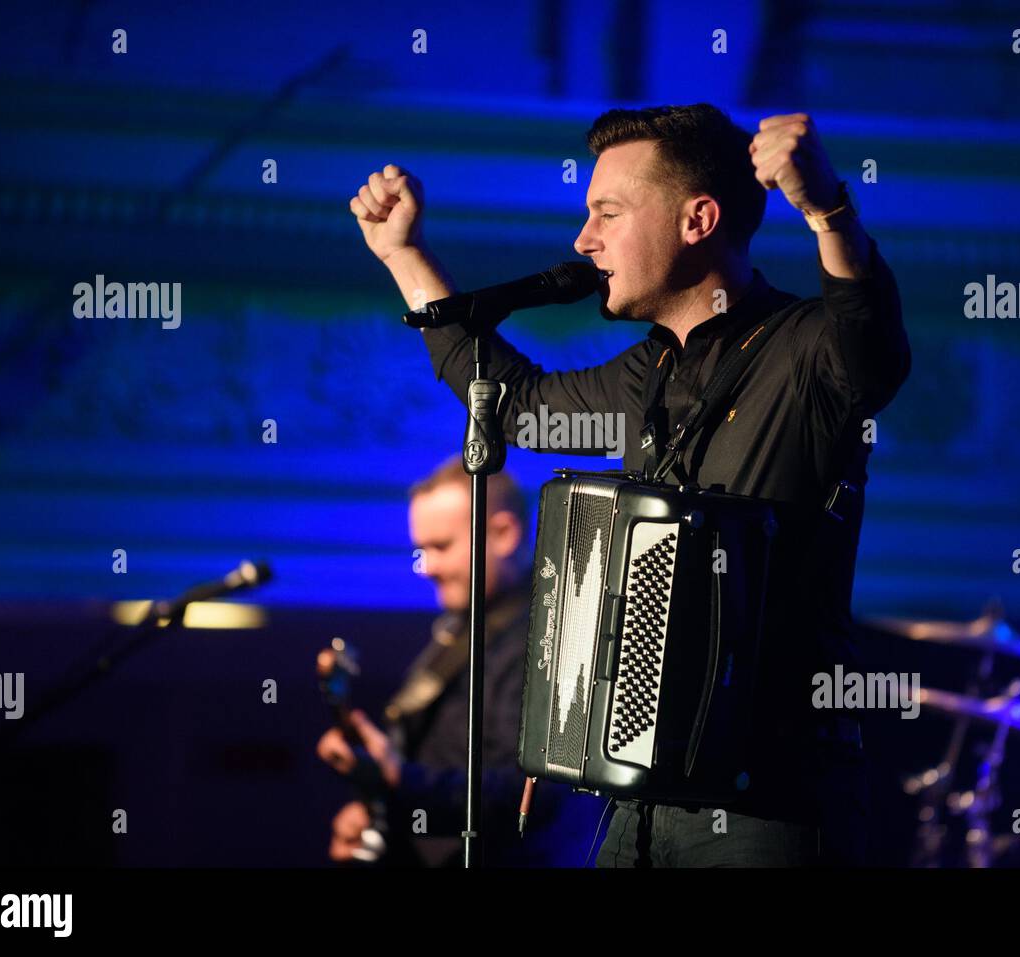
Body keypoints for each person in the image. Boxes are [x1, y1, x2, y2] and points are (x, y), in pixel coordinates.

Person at [348, 104, 910, 866]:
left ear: (697, 219)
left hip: (769, 804)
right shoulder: (647, 373)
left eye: (607, 213)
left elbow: (871, 343)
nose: (585, 240)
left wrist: (826, 209)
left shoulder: (807, 349)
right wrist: (402, 255)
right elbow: (513, 407)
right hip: (640, 803)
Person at [317, 456, 605, 867]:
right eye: (422, 549)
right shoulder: (457, 635)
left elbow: (531, 795)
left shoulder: (550, 640)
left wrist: (403, 780)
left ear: (503, 534)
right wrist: (379, 812)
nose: (427, 566)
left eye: (441, 546)